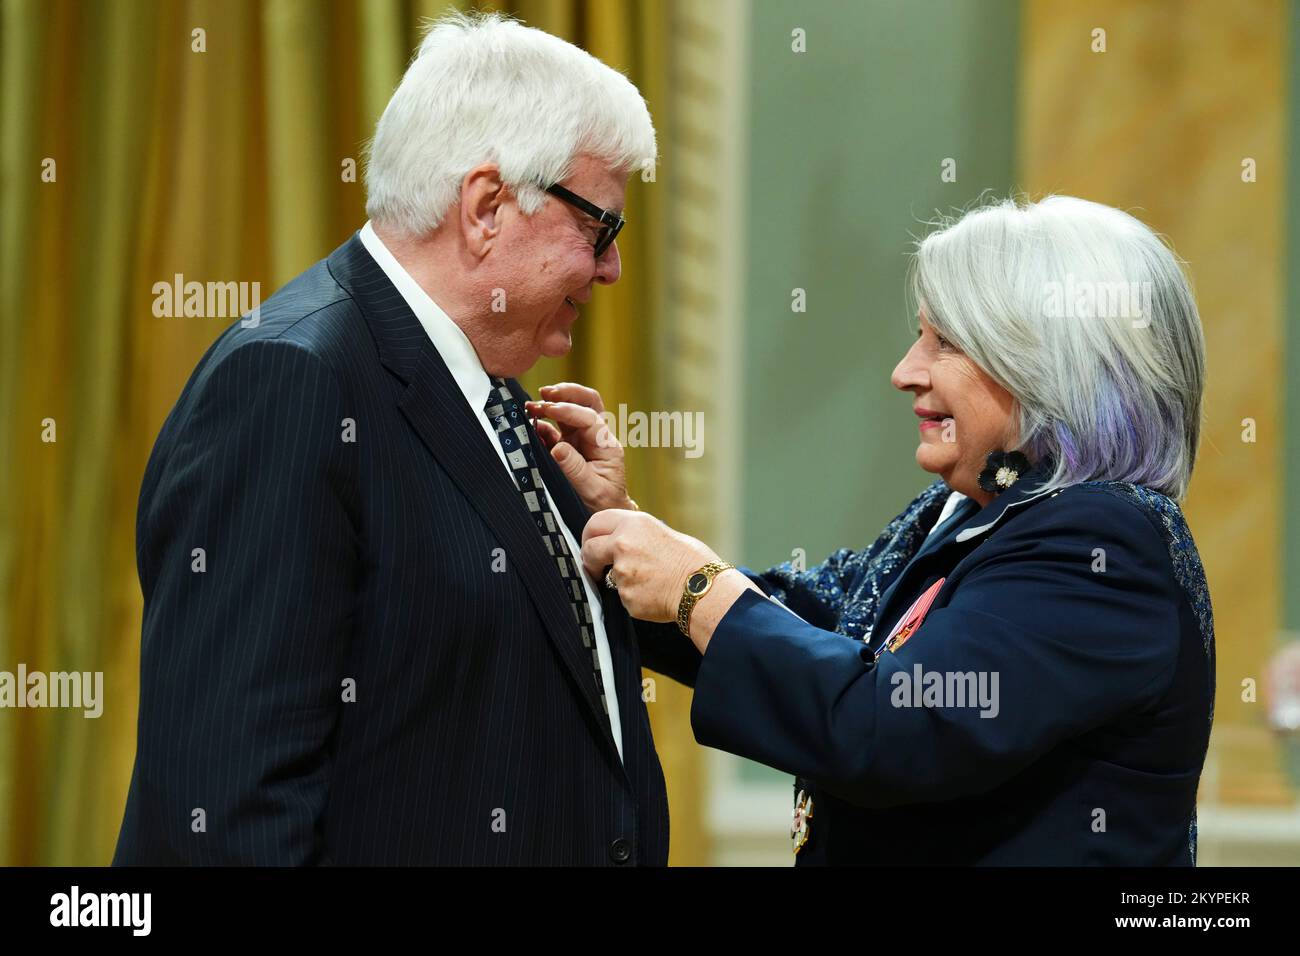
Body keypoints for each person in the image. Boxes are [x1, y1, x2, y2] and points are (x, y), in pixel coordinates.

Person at [114, 12, 667, 865]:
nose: (610, 268)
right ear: (487, 207)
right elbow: (226, 812)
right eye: (600, 227)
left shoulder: (492, 395)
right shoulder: (288, 384)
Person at [538, 195, 1215, 865]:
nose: (904, 372)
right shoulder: (964, 511)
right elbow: (812, 630)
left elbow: (896, 725)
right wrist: (619, 531)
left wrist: (696, 589)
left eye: (943, 342)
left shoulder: (1102, 544)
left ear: (1048, 362)